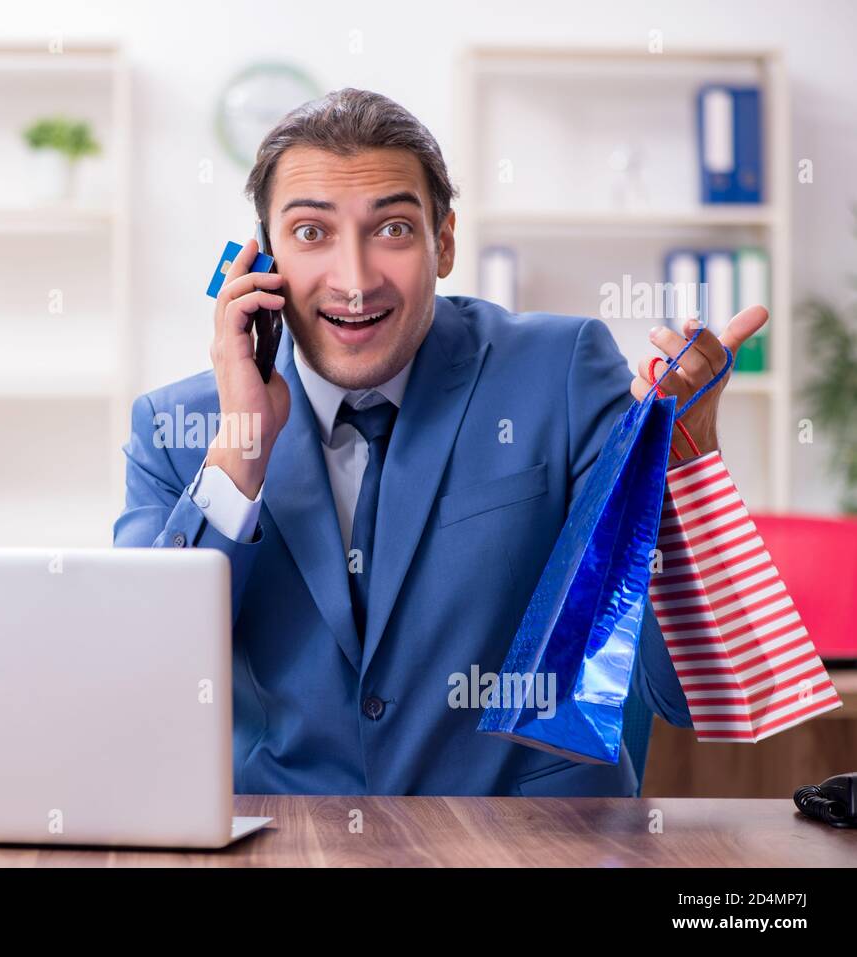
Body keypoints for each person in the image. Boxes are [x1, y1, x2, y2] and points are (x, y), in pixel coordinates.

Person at [114, 88, 769, 796]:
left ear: (444, 242)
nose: (355, 281)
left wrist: (684, 469)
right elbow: (144, 692)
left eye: (393, 229)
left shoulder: (562, 373)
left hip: (527, 839)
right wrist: (241, 450)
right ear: (262, 261)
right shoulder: (177, 430)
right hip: (293, 839)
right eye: (310, 232)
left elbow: (701, 692)